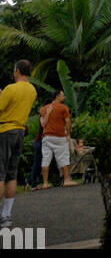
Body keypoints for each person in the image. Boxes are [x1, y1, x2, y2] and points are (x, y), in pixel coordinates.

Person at [0, 59, 38, 224]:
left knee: (0, 174)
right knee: (12, 174)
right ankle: (6, 215)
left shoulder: (10, 89)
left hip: (5, 130)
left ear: (17, 71)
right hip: (20, 131)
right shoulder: (32, 90)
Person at [39, 87, 78, 188]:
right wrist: (68, 134)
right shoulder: (63, 107)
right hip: (59, 136)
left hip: (46, 137)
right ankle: (66, 180)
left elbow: (43, 123)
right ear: (57, 96)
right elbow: (68, 122)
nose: (64, 96)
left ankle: (45, 183)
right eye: (62, 95)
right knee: (64, 158)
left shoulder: (43, 109)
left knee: (46, 159)